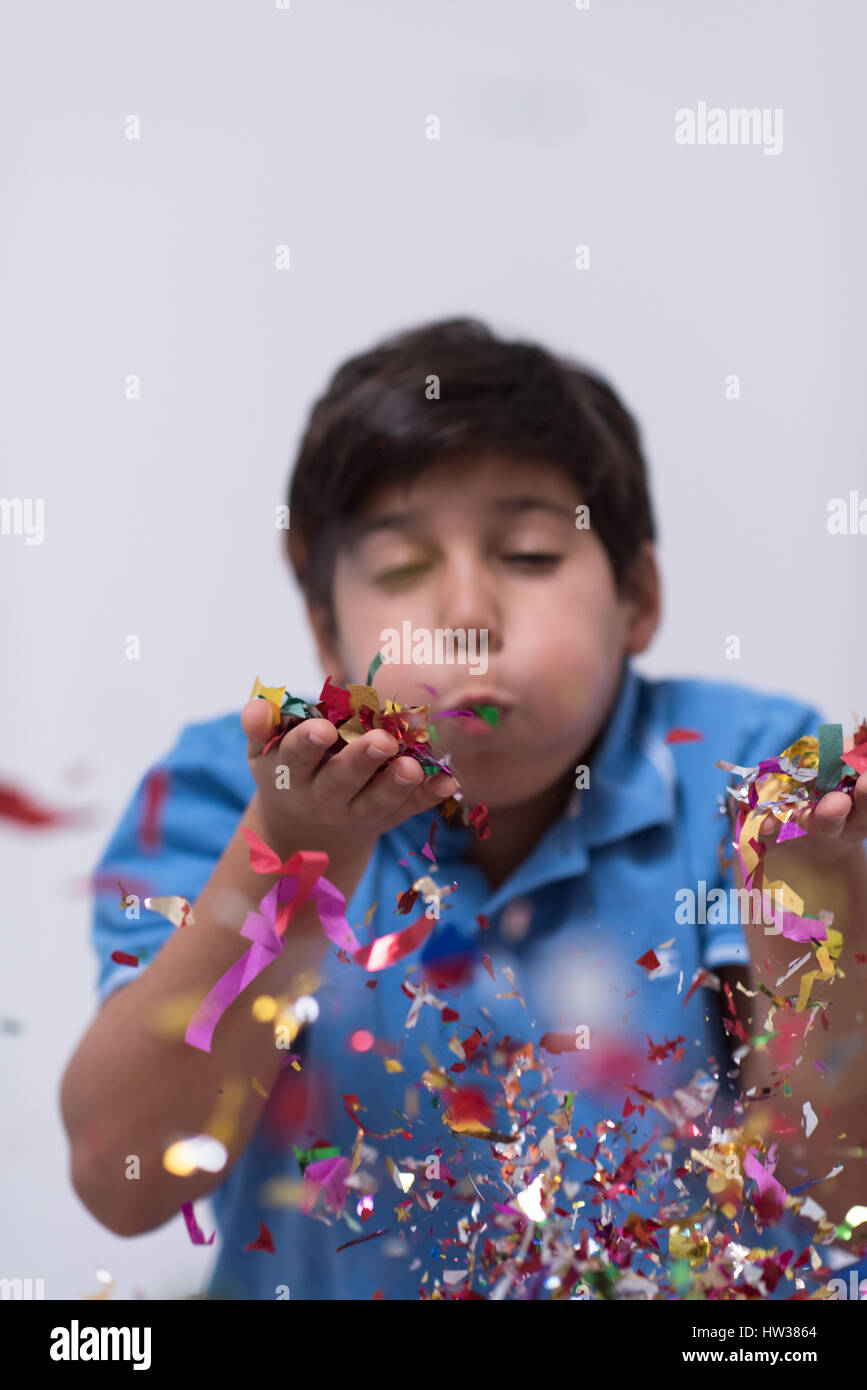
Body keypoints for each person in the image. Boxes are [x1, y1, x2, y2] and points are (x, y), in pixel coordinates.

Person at [60, 318, 867, 1300]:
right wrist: (290, 856)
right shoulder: (229, 792)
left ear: (638, 596)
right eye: (402, 567)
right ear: (326, 628)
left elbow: (842, 1199)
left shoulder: (758, 780)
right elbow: (125, 1180)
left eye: (530, 553)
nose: (464, 614)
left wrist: (818, 924)